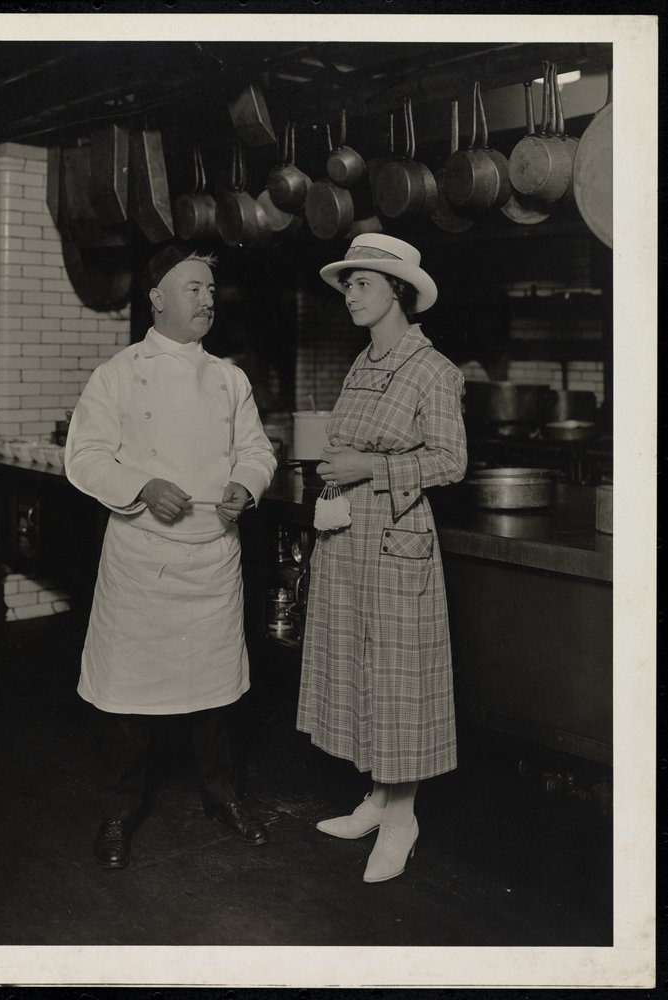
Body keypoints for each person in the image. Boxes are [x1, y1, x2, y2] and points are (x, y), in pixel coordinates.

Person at [65, 246, 277, 869]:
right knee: (131, 703)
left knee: (213, 698)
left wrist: (247, 483)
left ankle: (222, 798)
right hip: (144, 559)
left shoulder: (229, 377)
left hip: (212, 558)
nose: (208, 299)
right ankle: (117, 813)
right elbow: (84, 456)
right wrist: (142, 487)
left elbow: (257, 450)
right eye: (193, 288)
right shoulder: (119, 374)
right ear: (156, 297)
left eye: (211, 289)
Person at [296, 234, 467, 884]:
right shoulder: (363, 363)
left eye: (360, 283)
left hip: (397, 538)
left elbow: (451, 463)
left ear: (395, 288)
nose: (349, 294)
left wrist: (367, 465)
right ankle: (375, 799)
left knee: (398, 676)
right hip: (346, 536)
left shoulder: (433, 369)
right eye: (346, 285)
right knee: (359, 663)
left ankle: (402, 820)